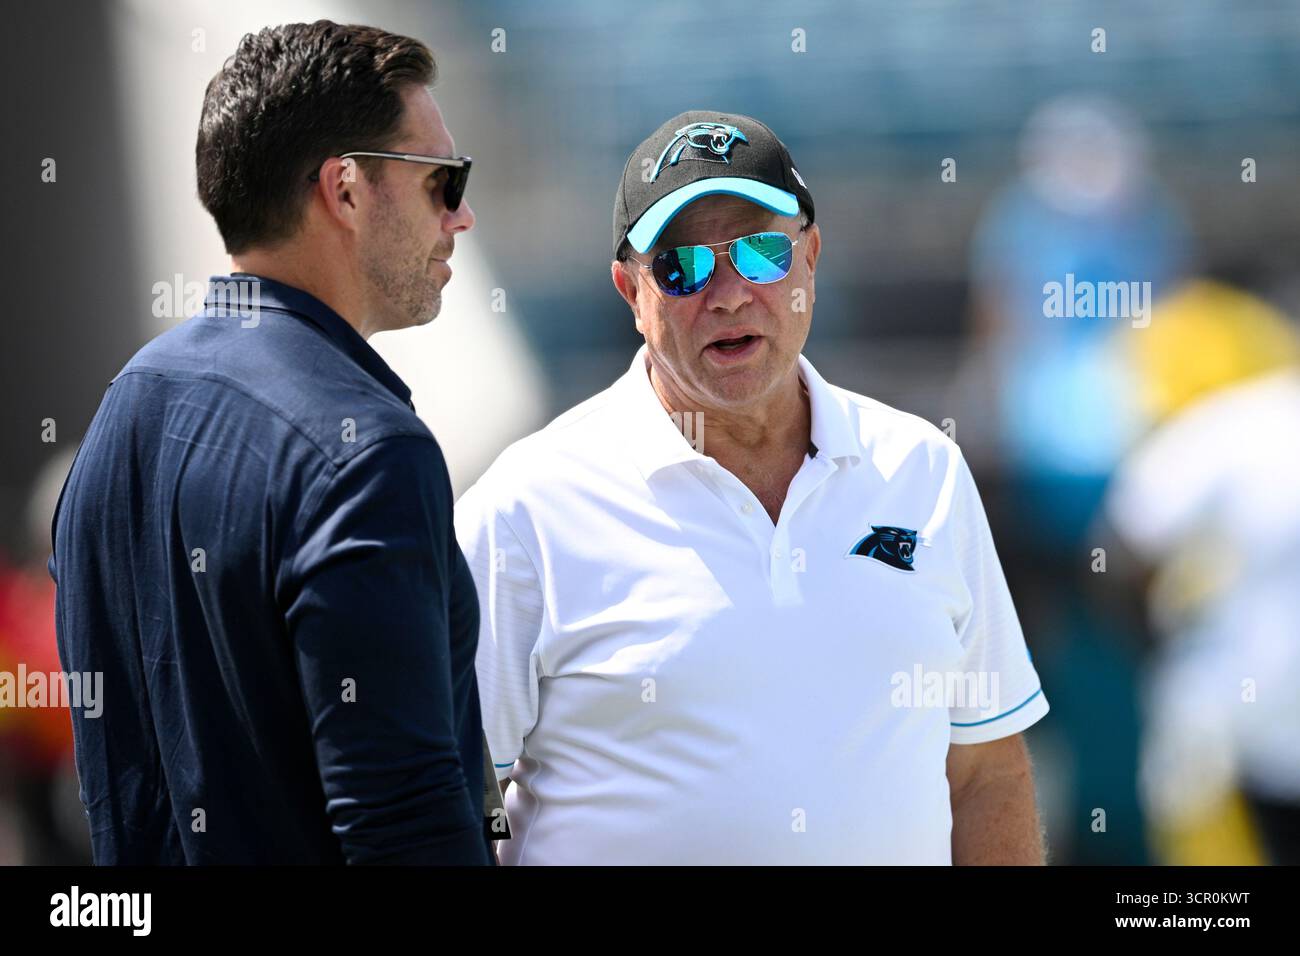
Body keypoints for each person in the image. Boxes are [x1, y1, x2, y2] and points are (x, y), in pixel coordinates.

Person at [456, 111, 1050, 864]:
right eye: (682, 269)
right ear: (629, 292)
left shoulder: (923, 467)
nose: (730, 295)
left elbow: (986, 771)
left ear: (811, 259)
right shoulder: (524, 508)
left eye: (763, 252)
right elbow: (458, 798)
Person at [49, 20, 493, 864]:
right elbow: (404, 821)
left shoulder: (119, 417)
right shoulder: (368, 451)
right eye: (443, 180)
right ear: (348, 190)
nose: (462, 216)